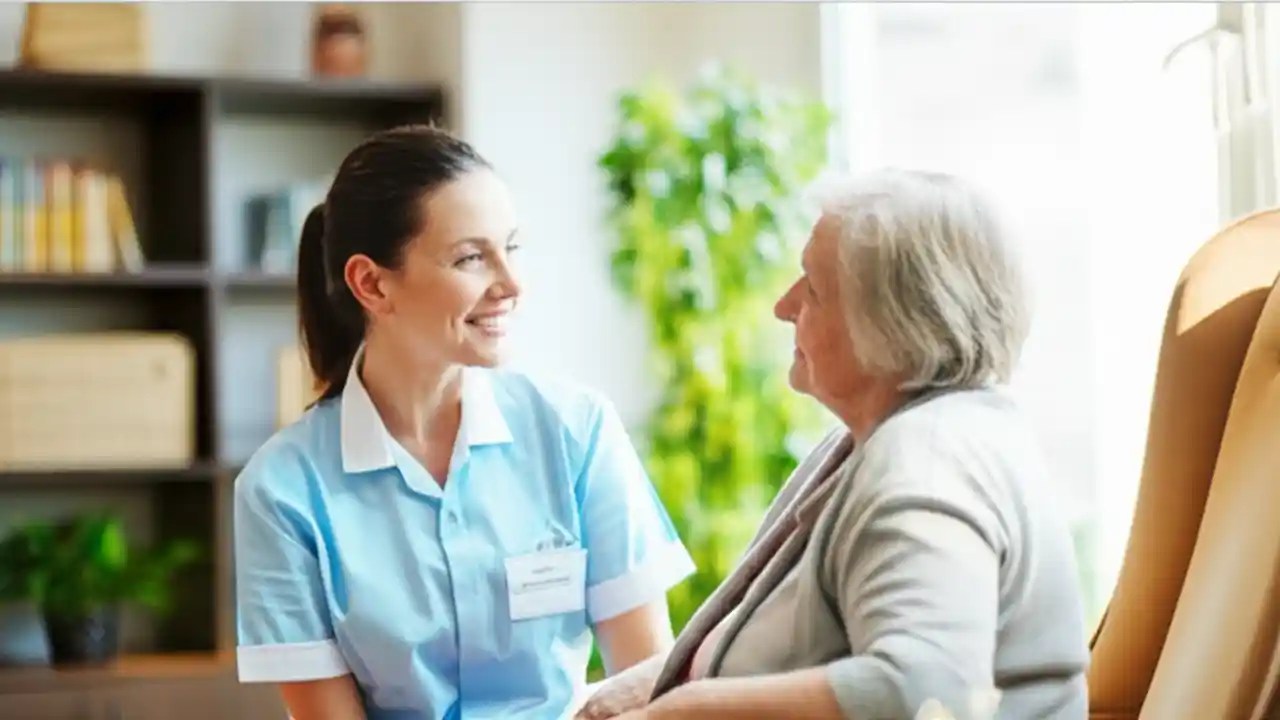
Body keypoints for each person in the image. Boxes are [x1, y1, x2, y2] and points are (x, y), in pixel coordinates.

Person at [576, 168, 1090, 720]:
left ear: (893, 327)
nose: (784, 306)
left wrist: (676, 714)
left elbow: (923, 690)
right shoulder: (875, 441)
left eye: (813, 288)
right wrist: (642, 690)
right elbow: (782, 649)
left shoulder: (926, 462)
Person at [233, 125, 696, 720]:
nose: (511, 284)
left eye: (512, 248)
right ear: (371, 283)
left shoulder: (577, 431)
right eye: (472, 257)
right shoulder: (281, 493)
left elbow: (645, 688)